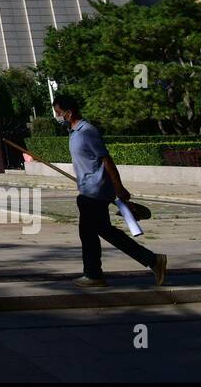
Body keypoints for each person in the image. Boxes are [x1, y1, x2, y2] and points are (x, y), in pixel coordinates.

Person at [52, 93, 167, 288]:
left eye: (58, 113)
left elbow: (107, 161)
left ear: (69, 113)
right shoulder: (73, 133)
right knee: (101, 232)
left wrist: (119, 188)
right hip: (87, 192)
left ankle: (95, 274)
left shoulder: (87, 131)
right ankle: (150, 261)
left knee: (91, 234)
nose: (57, 116)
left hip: (95, 193)